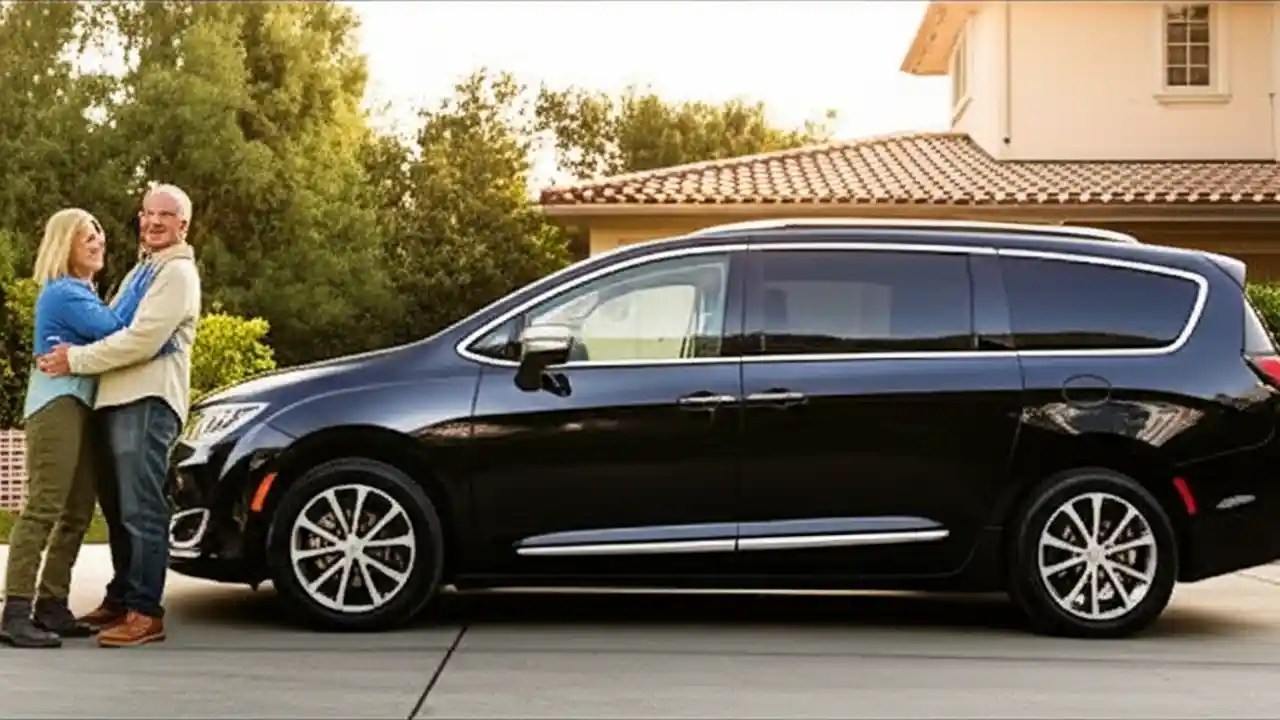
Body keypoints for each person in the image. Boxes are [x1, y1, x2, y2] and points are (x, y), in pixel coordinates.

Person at [0, 208, 176, 648]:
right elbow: (118, 329)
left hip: (80, 407)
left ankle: (52, 605)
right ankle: (15, 610)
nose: (98, 241)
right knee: (43, 507)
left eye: (98, 233)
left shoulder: (85, 291)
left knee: (78, 511)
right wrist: (147, 282)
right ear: (65, 246)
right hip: (56, 405)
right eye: (86, 237)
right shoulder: (64, 293)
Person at [37, 183, 202, 648]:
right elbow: (112, 326)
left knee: (143, 509)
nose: (151, 222)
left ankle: (145, 612)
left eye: (164, 216)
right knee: (118, 510)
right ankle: (121, 596)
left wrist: (76, 360)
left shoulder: (177, 275)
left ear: (182, 226)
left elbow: (139, 341)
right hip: (118, 401)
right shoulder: (142, 272)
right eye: (147, 213)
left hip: (147, 401)